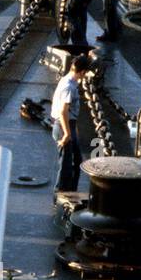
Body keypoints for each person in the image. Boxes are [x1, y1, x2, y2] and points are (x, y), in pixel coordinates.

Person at [51, 54, 89, 195]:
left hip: (69, 125)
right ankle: (60, 195)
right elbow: (63, 112)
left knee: (76, 160)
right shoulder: (68, 86)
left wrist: (74, 130)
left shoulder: (70, 81)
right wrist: (67, 134)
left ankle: (71, 192)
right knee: (66, 165)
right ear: (82, 72)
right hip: (63, 126)